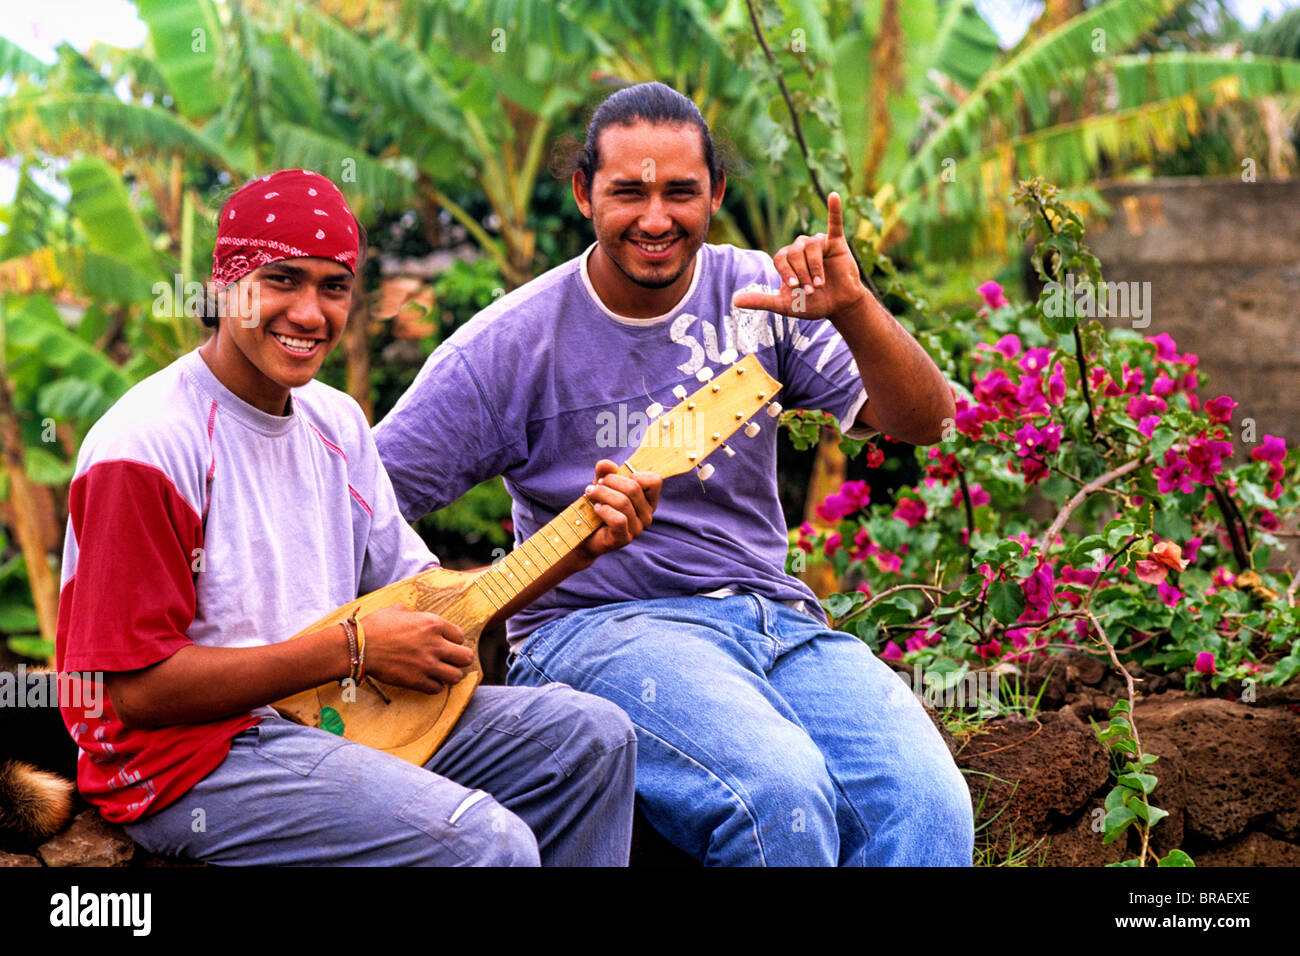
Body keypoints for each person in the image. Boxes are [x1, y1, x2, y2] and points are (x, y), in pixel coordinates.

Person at [374, 82, 975, 866]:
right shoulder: (507, 347)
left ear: (715, 194)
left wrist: (853, 306)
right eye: (628, 191)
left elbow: (934, 424)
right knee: (778, 795)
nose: (655, 218)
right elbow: (361, 501)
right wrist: (458, 593)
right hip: (601, 631)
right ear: (585, 194)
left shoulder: (764, 297)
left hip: (778, 621)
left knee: (928, 805)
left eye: (680, 192)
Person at [55, 169, 661, 866]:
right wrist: (352, 649)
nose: (311, 315)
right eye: (281, 280)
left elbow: (438, 605)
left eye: (333, 286)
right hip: (189, 760)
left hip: (339, 713)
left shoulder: (337, 422)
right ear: (225, 285)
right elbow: (132, 693)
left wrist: (579, 543)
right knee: (486, 846)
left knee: (595, 736)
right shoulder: (148, 442)